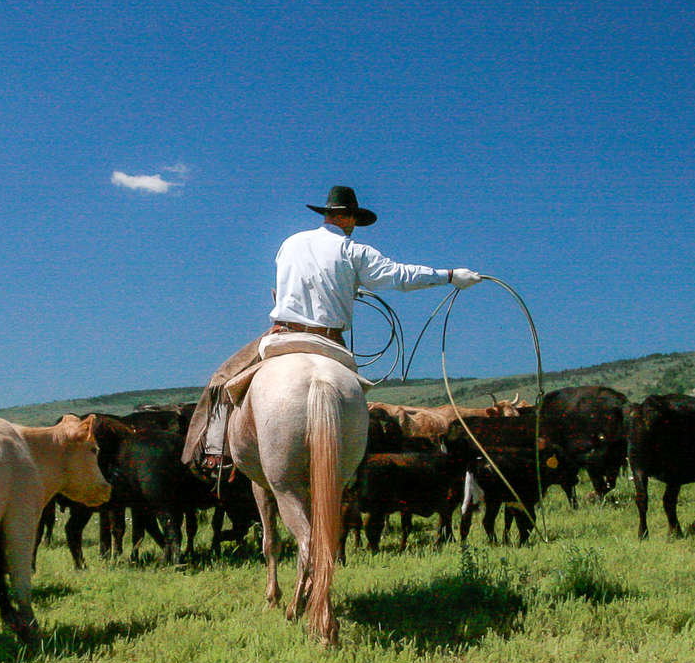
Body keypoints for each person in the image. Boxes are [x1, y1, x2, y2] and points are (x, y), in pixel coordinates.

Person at [182, 185, 482, 469]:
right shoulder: (355, 251)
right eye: (354, 220)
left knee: (223, 378)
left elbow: (296, 283)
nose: (353, 226)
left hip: (285, 333)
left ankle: (214, 454)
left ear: (327, 214)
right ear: (347, 218)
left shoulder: (291, 242)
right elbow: (399, 276)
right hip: (329, 340)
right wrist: (450, 275)